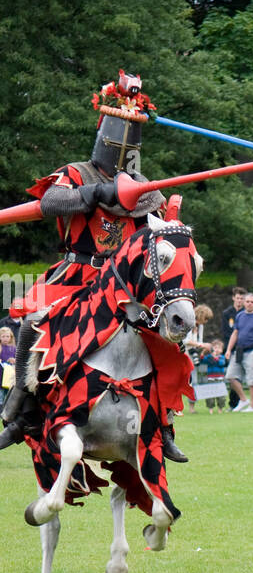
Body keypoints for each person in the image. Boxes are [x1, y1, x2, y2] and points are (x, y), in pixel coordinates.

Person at [0, 69, 188, 460]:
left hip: (123, 283)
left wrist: (172, 225)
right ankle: (24, 414)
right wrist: (98, 192)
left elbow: (156, 234)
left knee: (165, 334)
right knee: (31, 323)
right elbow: (51, 202)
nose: (122, 157)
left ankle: (163, 423)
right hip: (76, 273)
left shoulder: (144, 189)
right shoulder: (76, 173)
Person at [225, 292, 253, 411]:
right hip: (239, 350)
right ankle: (244, 399)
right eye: (247, 301)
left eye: (252, 302)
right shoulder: (240, 316)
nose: (249, 304)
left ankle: (252, 406)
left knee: (252, 380)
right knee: (230, 376)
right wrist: (229, 349)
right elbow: (235, 333)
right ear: (244, 302)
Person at [199, 339, 228, 412]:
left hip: (220, 379)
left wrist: (215, 357)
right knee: (210, 396)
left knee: (221, 396)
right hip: (210, 379)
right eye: (215, 348)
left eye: (219, 348)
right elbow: (202, 360)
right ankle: (210, 408)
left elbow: (221, 364)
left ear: (222, 350)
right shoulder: (209, 357)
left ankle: (220, 408)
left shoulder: (222, 357)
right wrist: (203, 352)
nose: (217, 350)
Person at [0, 326, 16, 410]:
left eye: (7, 336)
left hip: (9, 377)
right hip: (0, 375)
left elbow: (17, 360)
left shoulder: (13, 349)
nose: (5, 338)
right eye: (3, 336)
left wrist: (14, 360)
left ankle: (7, 413)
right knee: (1, 396)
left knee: (9, 396)